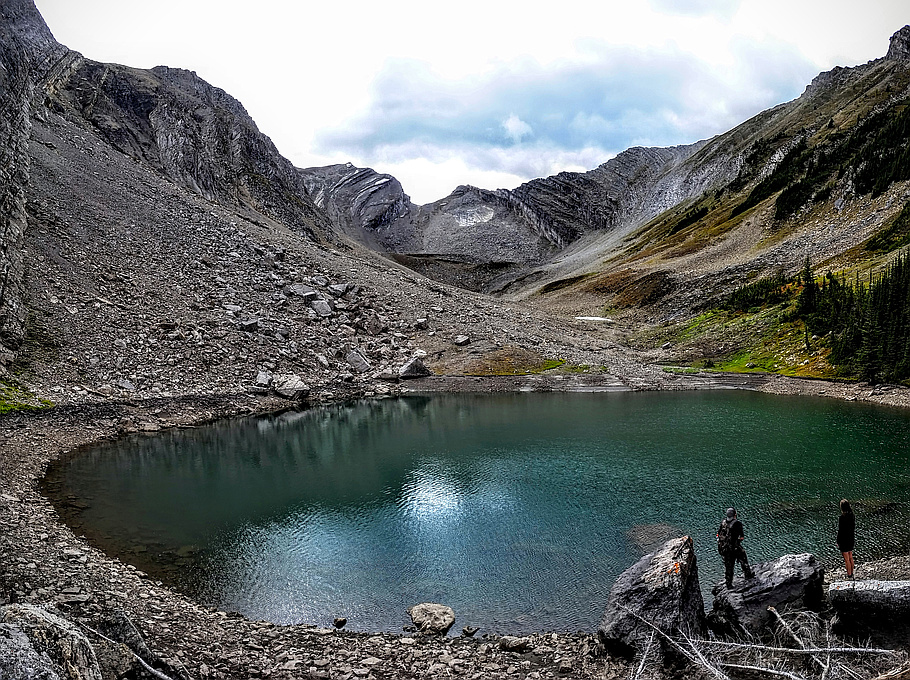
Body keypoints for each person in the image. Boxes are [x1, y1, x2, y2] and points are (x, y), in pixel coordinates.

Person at [717, 507, 754, 588]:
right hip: (735, 548)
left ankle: (728, 584)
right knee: (743, 558)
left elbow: (718, 534)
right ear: (735, 515)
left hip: (725, 549)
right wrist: (737, 541)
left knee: (729, 566)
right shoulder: (737, 523)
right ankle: (748, 575)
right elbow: (741, 537)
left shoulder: (723, 523)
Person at [837, 499, 855, 579]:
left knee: (846, 559)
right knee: (850, 556)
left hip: (844, 540)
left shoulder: (842, 518)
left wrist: (838, 541)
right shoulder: (852, 516)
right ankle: (852, 572)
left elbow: (840, 531)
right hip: (851, 538)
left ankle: (849, 575)